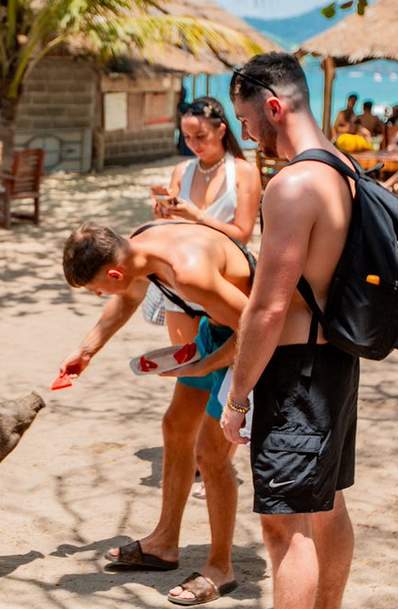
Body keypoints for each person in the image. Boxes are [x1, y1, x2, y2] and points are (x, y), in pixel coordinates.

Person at [225, 51, 358, 609]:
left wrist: (237, 395)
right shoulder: (344, 168)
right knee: (325, 508)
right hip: (337, 361)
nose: (244, 131)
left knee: (285, 527)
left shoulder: (294, 183)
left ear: (273, 107)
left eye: (245, 117)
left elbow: (269, 306)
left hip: (298, 371)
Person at [58, 218, 256, 607]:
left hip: (244, 345)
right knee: (176, 426)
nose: (101, 295)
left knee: (211, 455)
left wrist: (207, 368)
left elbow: (257, 323)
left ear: (114, 271)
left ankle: (221, 567)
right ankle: (165, 542)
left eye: (98, 289)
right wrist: (87, 350)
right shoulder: (138, 248)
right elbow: (129, 296)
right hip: (213, 335)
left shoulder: (189, 271)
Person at [145, 95, 261, 502]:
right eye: (187, 136)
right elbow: (175, 226)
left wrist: (194, 215)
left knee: (224, 372)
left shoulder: (244, 173)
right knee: (190, 368)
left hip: (226, 280)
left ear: (222, 130)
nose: (194, 143)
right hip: (184, 282)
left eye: (201, 136)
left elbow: (243, 233)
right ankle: (199, 457)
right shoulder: (182, 169)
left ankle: (218, 456)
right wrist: (165, 211)